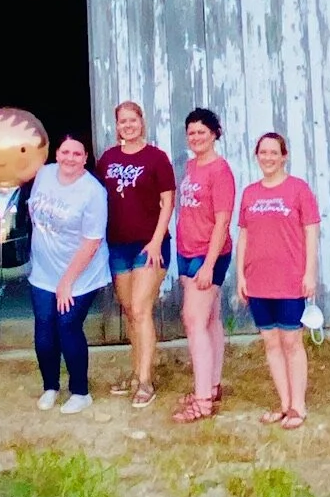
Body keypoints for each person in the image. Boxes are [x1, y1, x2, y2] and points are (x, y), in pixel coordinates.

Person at [236, 131, 321, 431]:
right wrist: (240, 276)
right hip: (258, 281)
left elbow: (311, 231)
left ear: (284, 156)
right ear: (256, 156)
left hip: (290, 280)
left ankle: (299, 405)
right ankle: (284, 404)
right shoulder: (249, 193)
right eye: (263, 152)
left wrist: (310, 272)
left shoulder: (298, 189)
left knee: (291, 341)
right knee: (271, 342)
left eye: (274, 153)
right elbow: (243, 236)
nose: (268, 158)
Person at [97, 101, 175, 410]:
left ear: (142, 122)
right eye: (122, 121)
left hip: (149, 245)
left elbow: (168, 202)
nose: (128, 125)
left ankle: (145, 381)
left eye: (133, 120)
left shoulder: (156, 158)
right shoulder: (108, 159)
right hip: (119, 245)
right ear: (117, 126)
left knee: (142, 310)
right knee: (130, 311)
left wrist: (156, 241)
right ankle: (135, 371)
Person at [27, 133, 110, 413]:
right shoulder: (44, 174)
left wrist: (67, 282)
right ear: (56, 154)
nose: (70, 158)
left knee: (67, 326)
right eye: (65, 152)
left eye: (77, 154)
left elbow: (92, 241)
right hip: (44, 270)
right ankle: (50, 386)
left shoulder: (93, 192)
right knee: (44, 328)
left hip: (81, 273)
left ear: (85, 159)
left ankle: (80, 391)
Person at [173, 107, 236, 425]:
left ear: (214, 134)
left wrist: (209, 264)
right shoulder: (191, 165)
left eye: (202, 131)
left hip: (208, 254)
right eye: (191, 132)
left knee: (192, 320)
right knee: (209, 319)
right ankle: (211, 386)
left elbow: (223, 220)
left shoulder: (220, 170)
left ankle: (201, 403)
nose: (196, 137)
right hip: (186, 249)